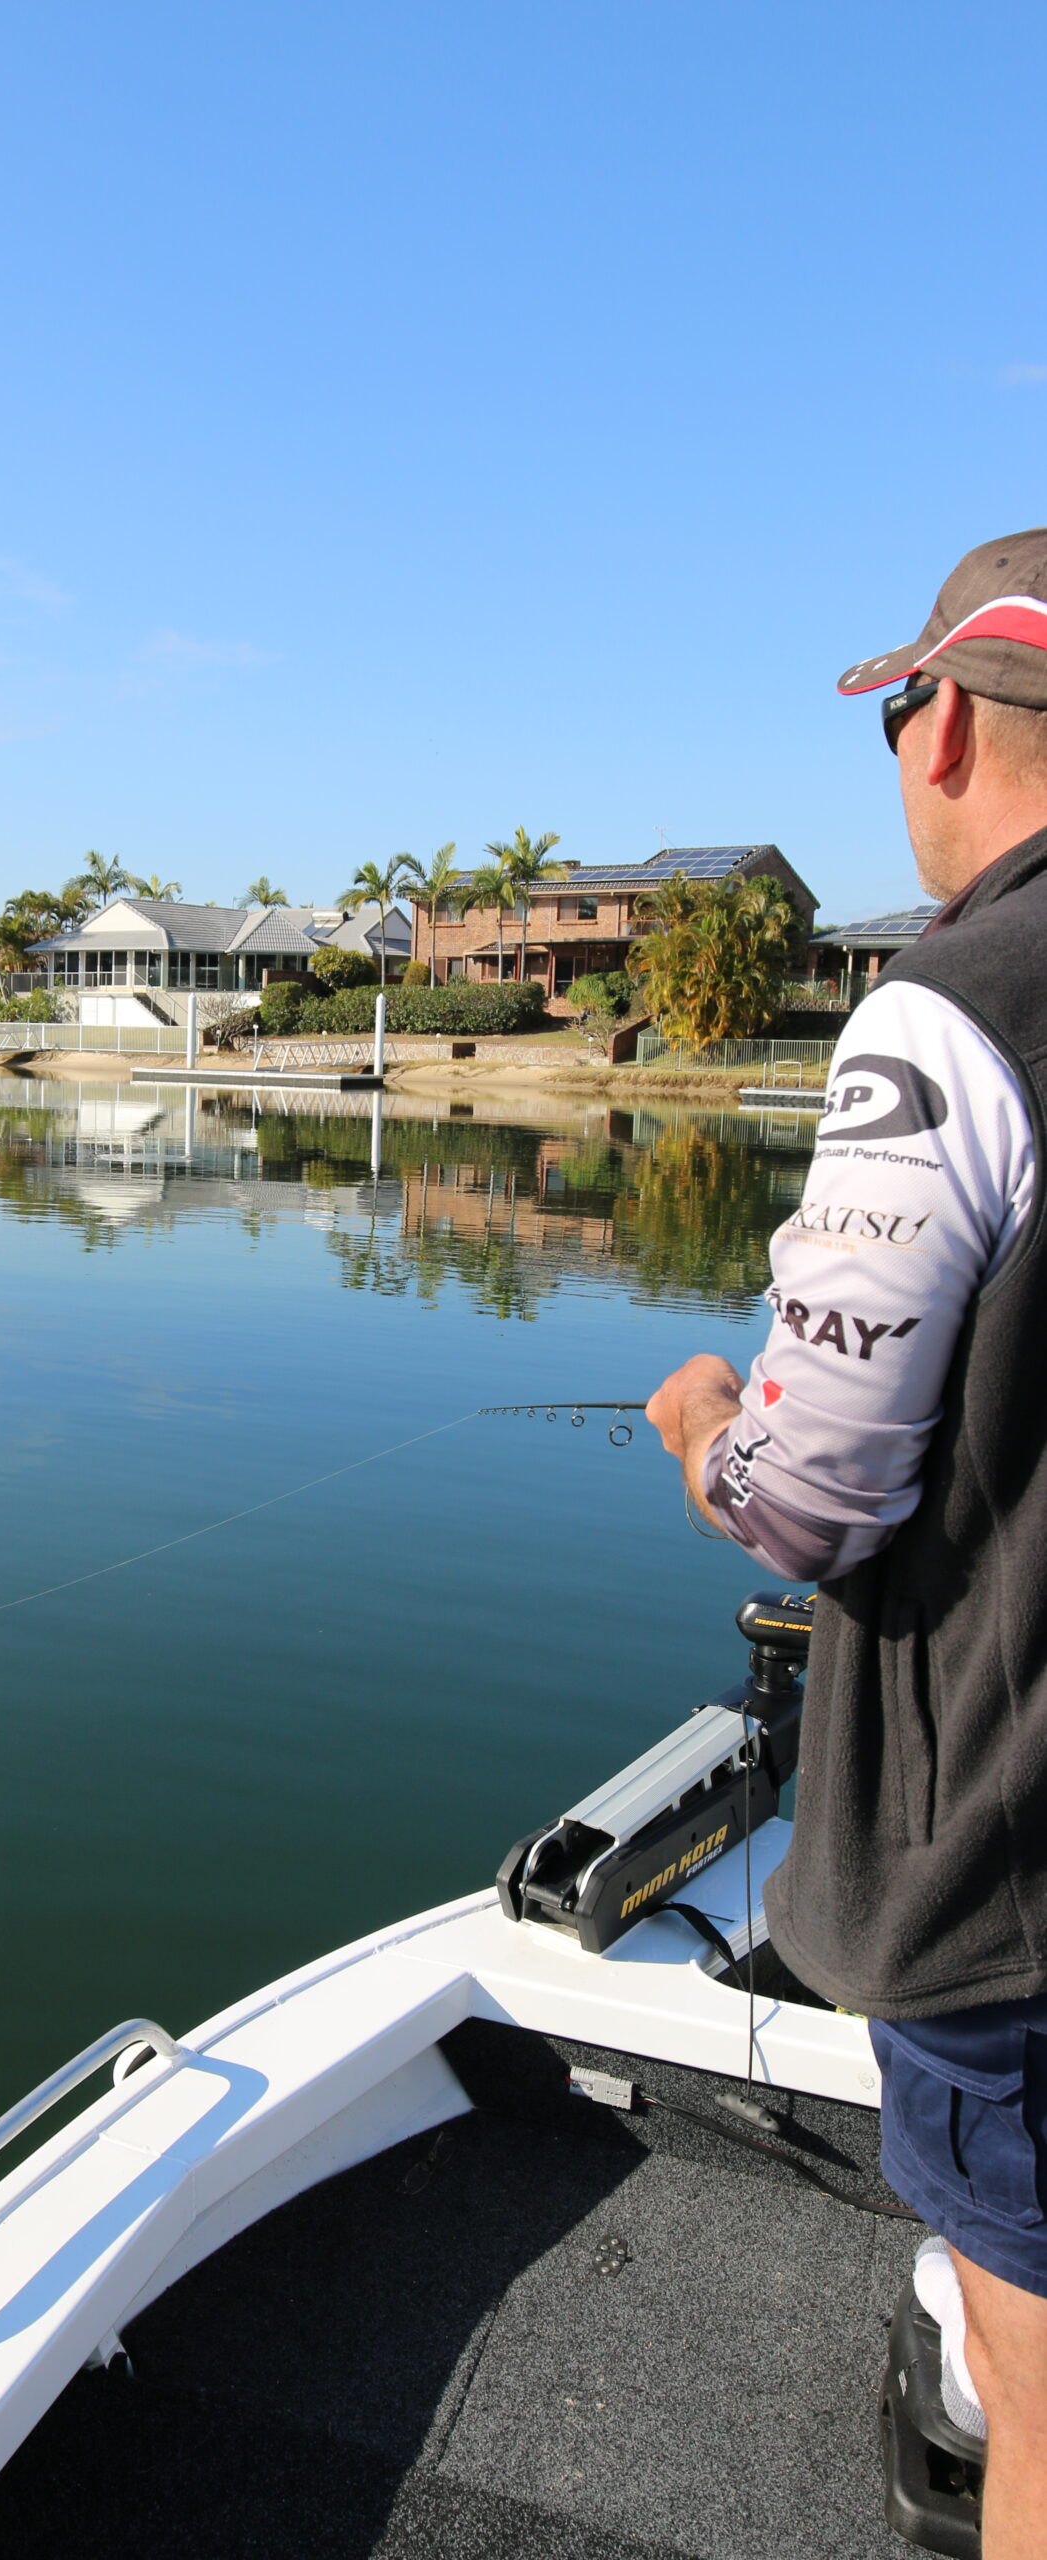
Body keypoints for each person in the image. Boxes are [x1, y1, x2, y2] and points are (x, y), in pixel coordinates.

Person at [646, 528, 1047, 2560]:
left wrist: (704, 1422)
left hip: (1007, 1860)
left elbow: (812, 1499)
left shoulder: (944, 1015)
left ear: (949, 719)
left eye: (897, 714)